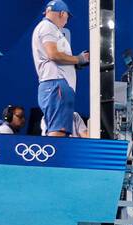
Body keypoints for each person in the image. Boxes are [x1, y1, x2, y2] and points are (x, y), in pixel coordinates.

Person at [32, 1, 89, 138]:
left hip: (56, 84)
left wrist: (75, 63)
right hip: (56, 84)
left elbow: (54, 57)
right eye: (67, 17)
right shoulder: (48, 27)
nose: (66, 21)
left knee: (59, 130)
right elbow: (53, 55)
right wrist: (78, 59)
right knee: (58, 131)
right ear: (62, 13)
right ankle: (56, 160)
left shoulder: (47, 28)